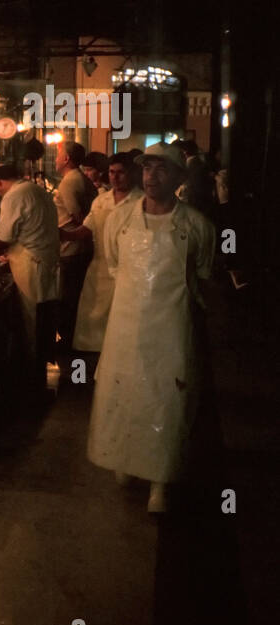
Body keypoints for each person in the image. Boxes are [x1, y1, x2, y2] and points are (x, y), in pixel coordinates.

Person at [87, 143, 215, 513]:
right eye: (147, 169)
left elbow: (203, 273)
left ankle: (160, 480)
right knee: (124, 392)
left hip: (172, 328)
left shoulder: (195, 225)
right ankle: (124, 459)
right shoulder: (121, 220)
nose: (152, 176)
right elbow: (113, 263)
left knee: (166, 400)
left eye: (161, 170)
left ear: (178, 178)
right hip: (126, 326)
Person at [0, 163, 60, 395]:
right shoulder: (36, 189)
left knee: (32, 322)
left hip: (30, 262)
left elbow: (5, 236)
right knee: (43, 317)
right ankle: (37, 374)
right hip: (45, 259)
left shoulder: (12, 196)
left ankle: (31, 384)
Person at [71, 151, 142, 354]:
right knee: (94, 324)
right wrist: (58, 234)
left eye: (120, 173)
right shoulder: (101, 200)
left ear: (132, 174)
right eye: (111, 172)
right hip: (99, 268)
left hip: (129, 272)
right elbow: (85, 230)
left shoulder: (141, 202)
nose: (115, 177)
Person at [54, 140, 97, 360]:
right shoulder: (78, 179)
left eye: (58, 154)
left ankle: (68, 346)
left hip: (71, 249)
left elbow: (78, 217)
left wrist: (71, 235)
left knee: (68, 299)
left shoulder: (69, 183)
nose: (55, 158)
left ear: (66, 159)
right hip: (78, 248)